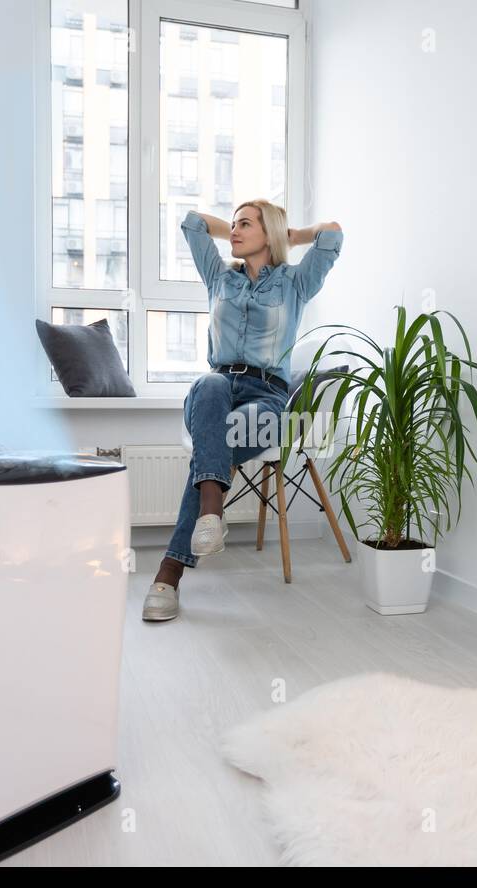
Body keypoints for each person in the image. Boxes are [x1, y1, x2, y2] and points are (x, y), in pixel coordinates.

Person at [142, 199, 343, 622]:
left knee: (215, 447)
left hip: (267, 399)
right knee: (212, 383)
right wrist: (246, 228)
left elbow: (332, 235)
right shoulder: (219, 277)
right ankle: (211, 511)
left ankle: (169, 572)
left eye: (244, 225)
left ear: (268, 233)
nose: (232, 231)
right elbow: (193, 223)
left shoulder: (295, 283)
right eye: (232, 224)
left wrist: (287, 235)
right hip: (212, 396)